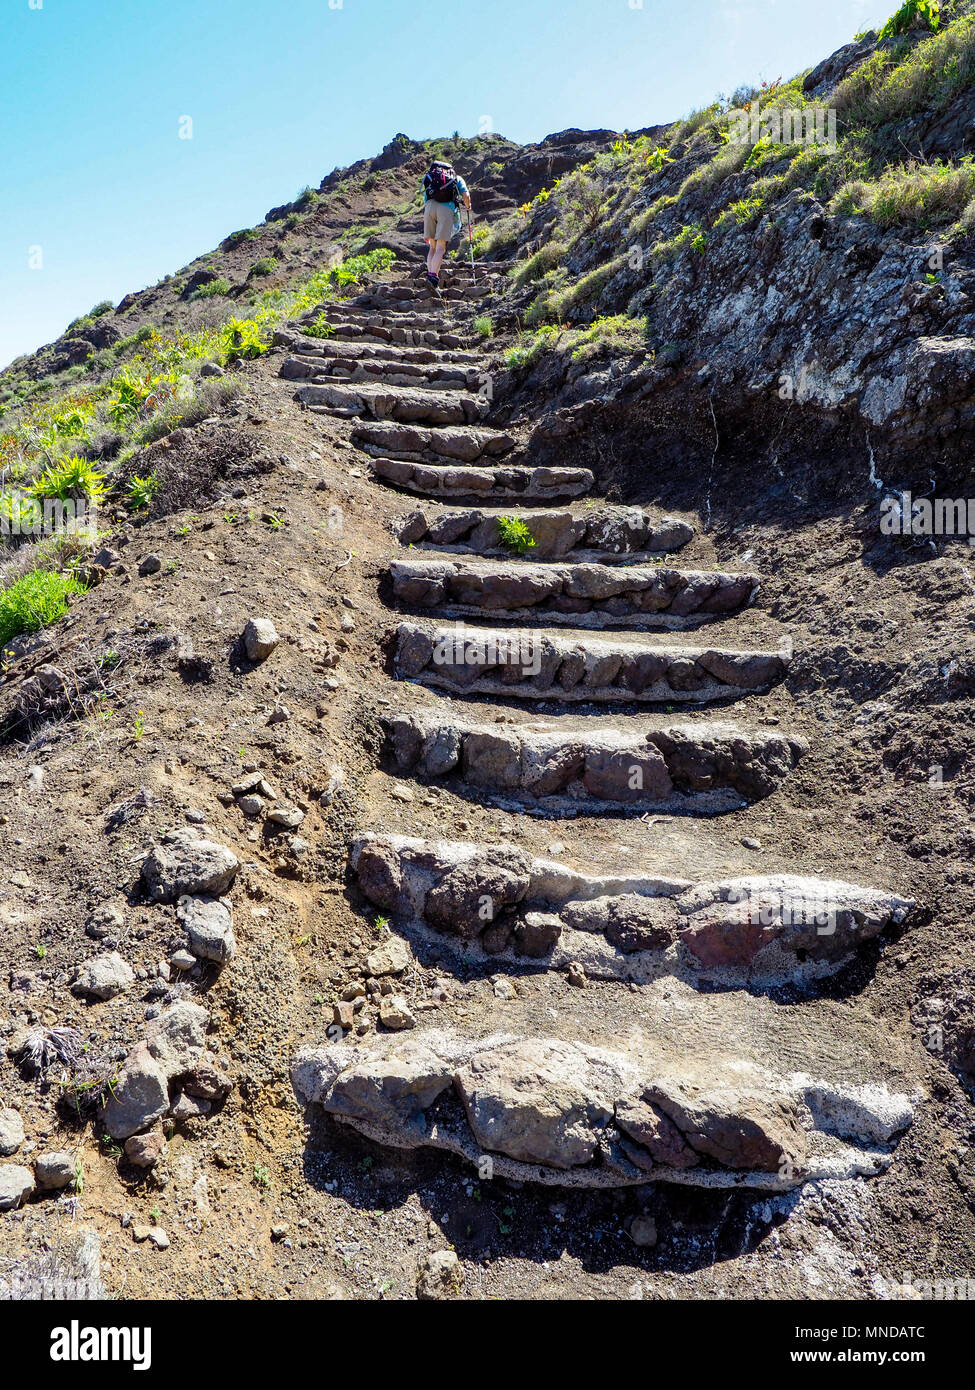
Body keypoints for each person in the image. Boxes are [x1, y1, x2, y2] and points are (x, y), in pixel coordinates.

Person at [421, 159, 471, 289]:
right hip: (446, 209)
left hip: (429, 209)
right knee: (440, 248)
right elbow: (466, 195)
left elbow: (426, 196)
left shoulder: (430, 177)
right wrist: (468, 205)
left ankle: (430, 275)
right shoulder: (456, 178)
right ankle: (432, 278)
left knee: (432, 247)